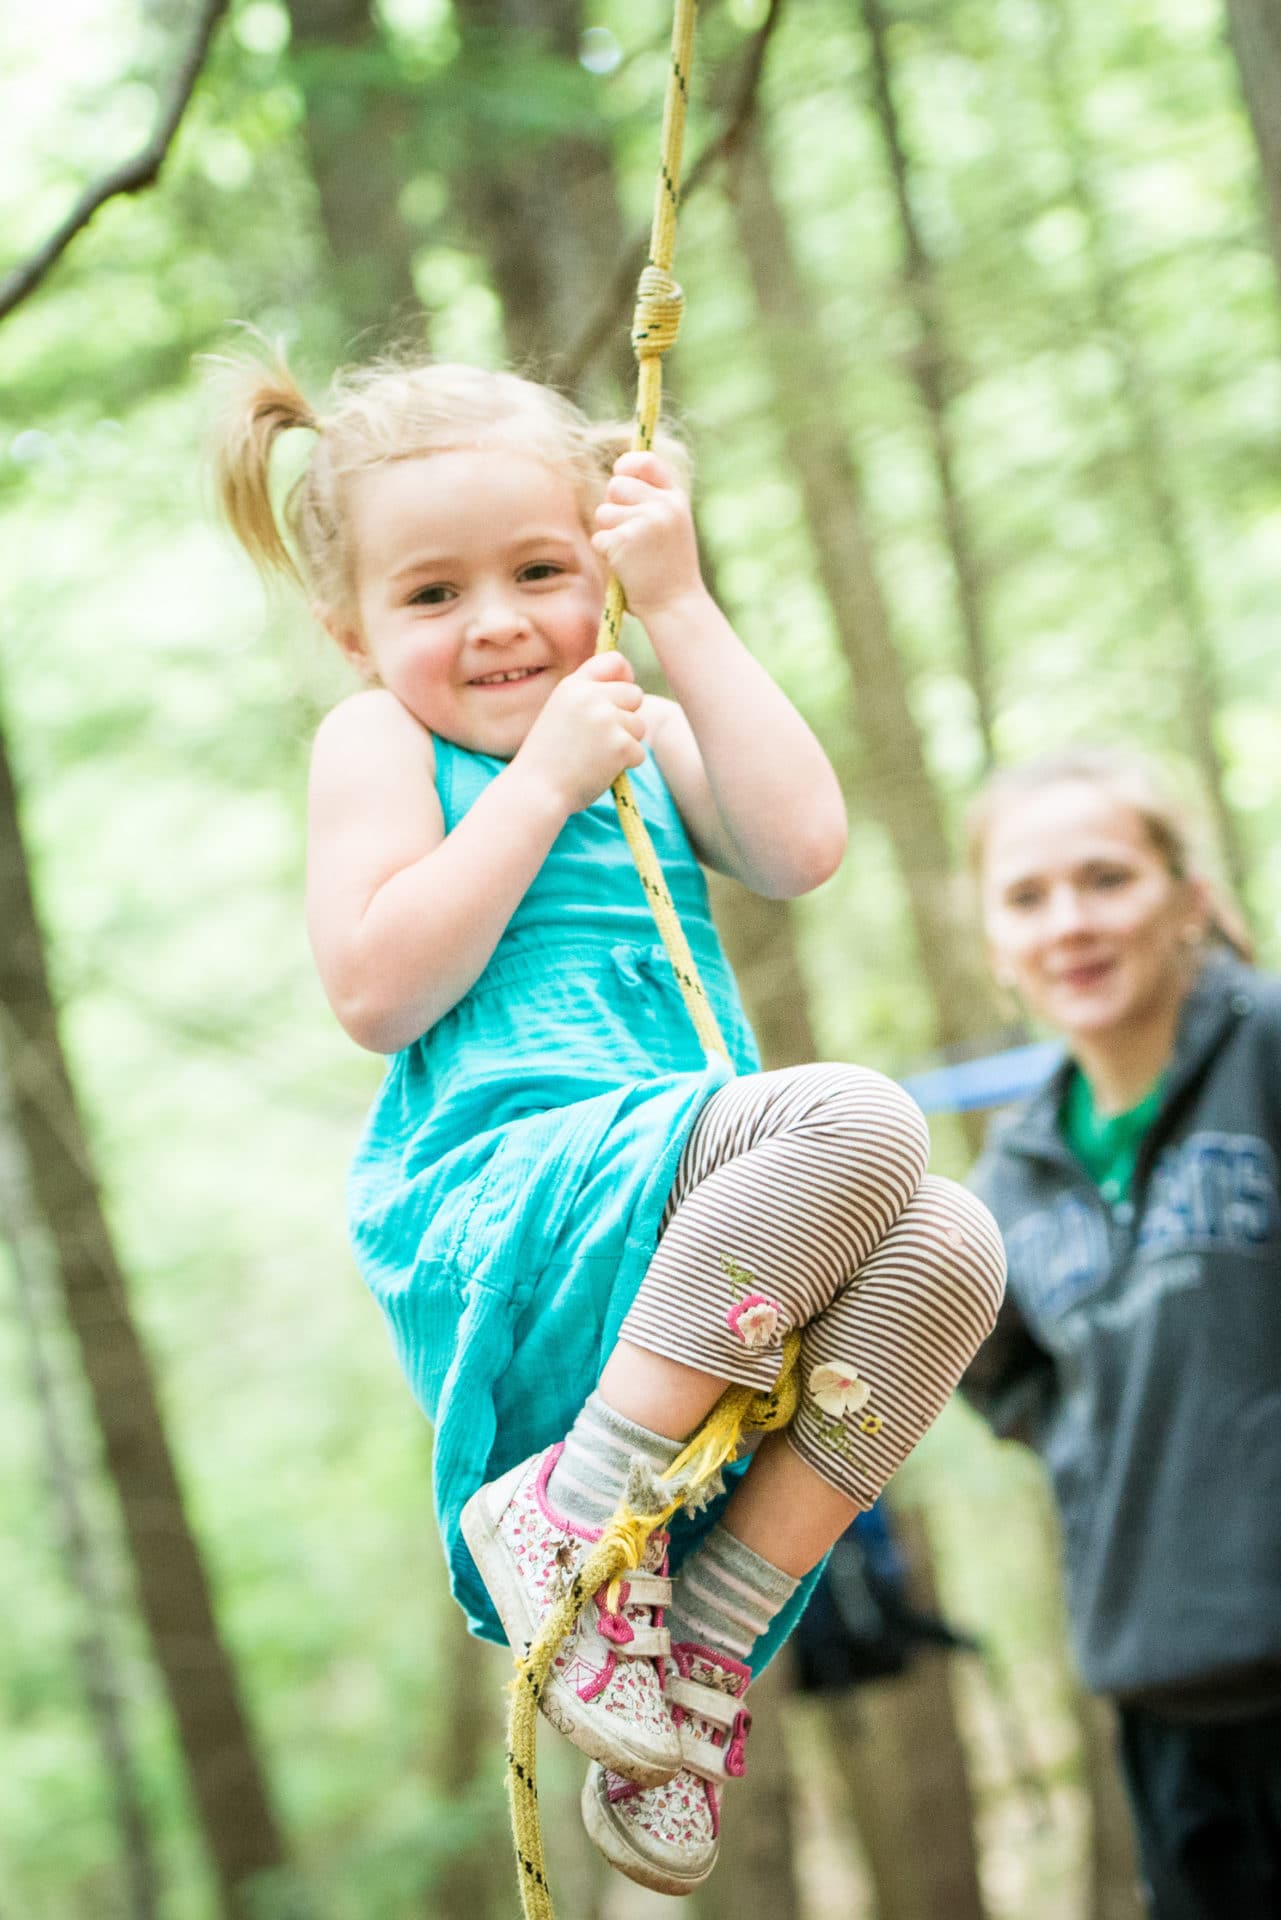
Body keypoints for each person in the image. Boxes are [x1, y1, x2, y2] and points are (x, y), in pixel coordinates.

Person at [212, 349, 1005, 1897]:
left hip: (686, 1219)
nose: (497, 621)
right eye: (431, 596)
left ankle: (696, 1655)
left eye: (540, 572)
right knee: (858, 1120)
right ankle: (570, 1520)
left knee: (957, 1240)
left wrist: (685, 610)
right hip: (504, 1190)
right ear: (350, 629)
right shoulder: (381, 743)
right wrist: (536, 787)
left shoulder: (633, 724)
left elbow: (801, 844)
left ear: (604, 574)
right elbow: (375, 990)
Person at [964, 747, 1281, 1920]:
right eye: (1029, 898)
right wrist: (1108, 1453)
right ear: (997, 944)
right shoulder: (1010, 1178)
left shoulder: (1268, 1054)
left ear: (1187, 896)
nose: (1071, 925)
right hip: (1163, 1697)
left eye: (1106, 879)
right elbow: (1001, 1377)